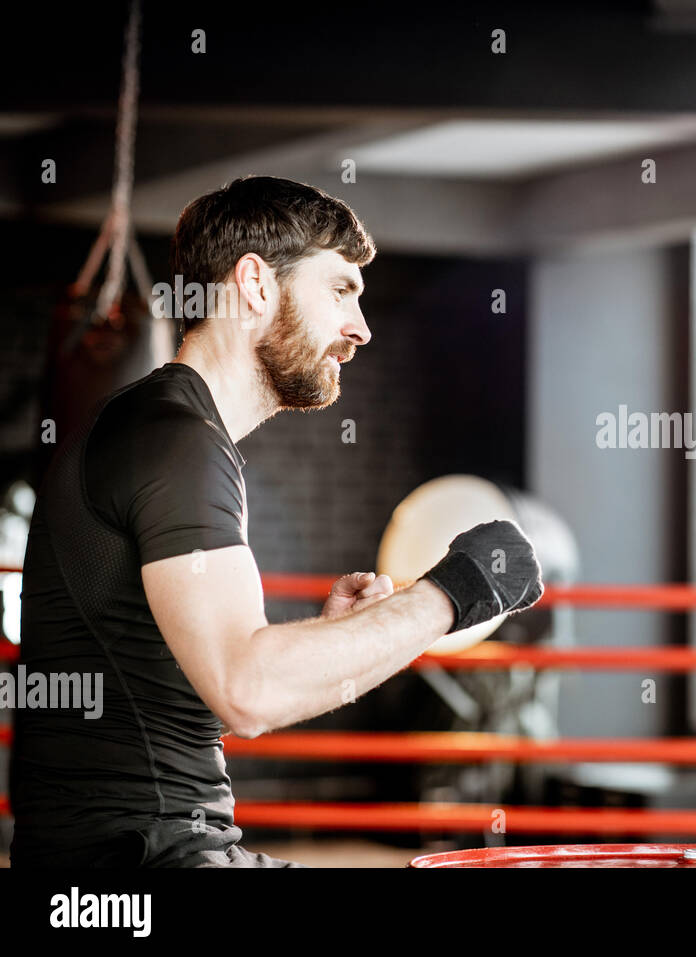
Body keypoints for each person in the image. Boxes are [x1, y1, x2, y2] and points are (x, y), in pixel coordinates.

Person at [9, 175, 543, 868]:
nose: (361, 328)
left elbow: (219, 672)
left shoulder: (167, 427)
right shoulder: (176, 438)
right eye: (340, 291)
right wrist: (454, 589)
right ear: (256, 285)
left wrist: (332, 635)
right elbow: (248, 690)